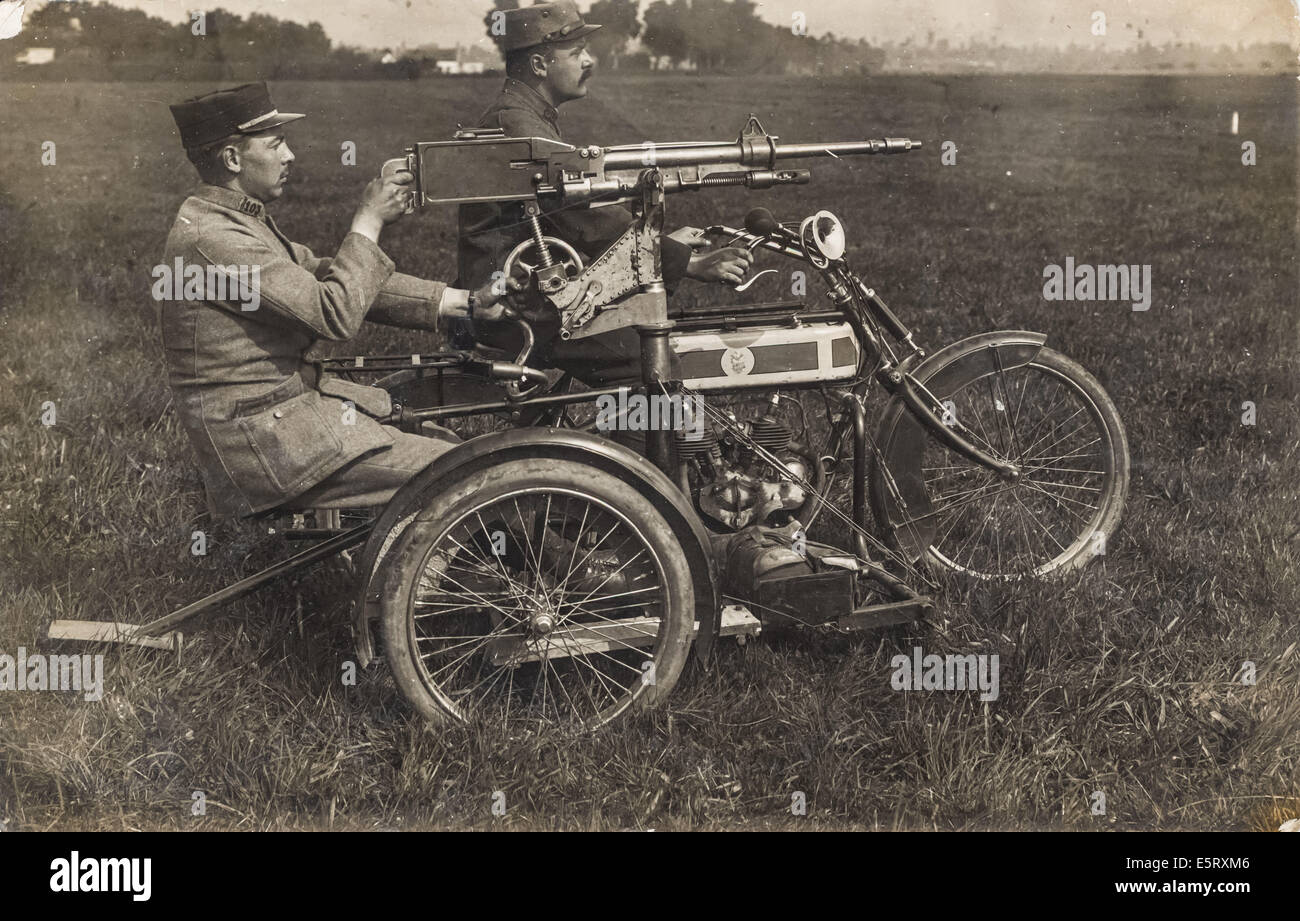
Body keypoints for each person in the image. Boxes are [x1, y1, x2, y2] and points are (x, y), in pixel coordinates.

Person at [160, 82, 508, 520]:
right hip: (267, 449)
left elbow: (326, 274)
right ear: (232, 158)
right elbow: (334, 313)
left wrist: (467, 303)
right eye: (276, 144)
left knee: (455, 450)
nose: (289, 156)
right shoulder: (214, 238)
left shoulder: (229, 219)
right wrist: (369, 220)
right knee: (478, 471)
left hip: (280, 423)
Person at [457, 0, 753, 385]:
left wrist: (660, 242)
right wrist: (688, 263)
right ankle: (628, 448)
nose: (589, 61)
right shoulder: (519, 127)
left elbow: (576, 208)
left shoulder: (522, 116)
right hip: (513, 305)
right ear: (539, 66)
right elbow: (584, 214)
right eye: (577, 52)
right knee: (649, 366)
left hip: (521, 291)